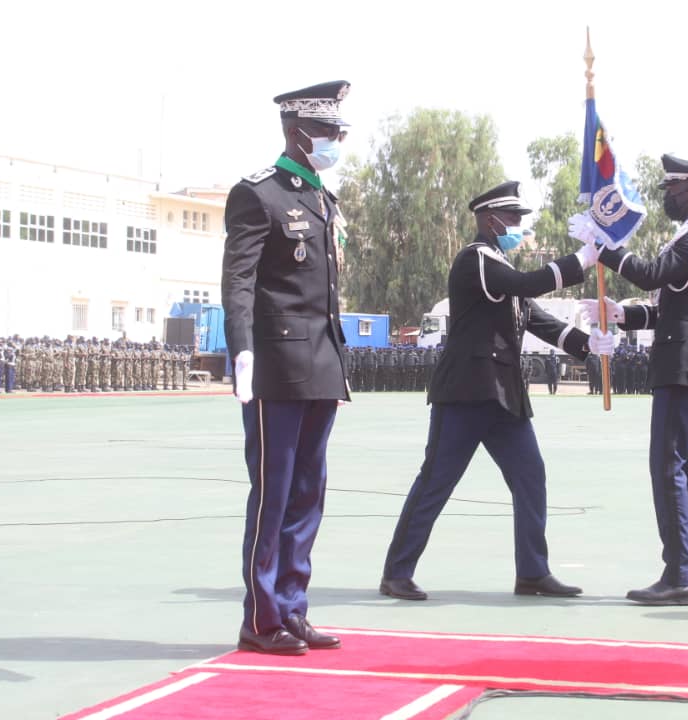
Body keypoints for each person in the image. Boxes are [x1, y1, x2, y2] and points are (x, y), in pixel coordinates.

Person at [379, 181, 612, 601]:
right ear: (491, 220)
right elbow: (528, 284)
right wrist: (582, 260)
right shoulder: (477, 260)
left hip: (502, 396)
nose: (520, 227)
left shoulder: (498, 263)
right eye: (514, 219)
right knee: (436, 482)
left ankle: (533, 572)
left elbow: (538, 319)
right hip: (466, 394)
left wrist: (587, 345)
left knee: (530, 478)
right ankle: (397, 572)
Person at [221, 80, 354, 656]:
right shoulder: (260, 195)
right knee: (273, 494)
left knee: (308, 493)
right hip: (277, 365)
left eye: (337, 133)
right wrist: (241, 348)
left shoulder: (323, 199)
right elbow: (240, 279)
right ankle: (261, 616)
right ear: (296, 132)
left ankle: (294, 608)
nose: (334, 141)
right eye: (327, 132)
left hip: (322, 361)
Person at [579, 154, 688, 606]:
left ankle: (681, 574)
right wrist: (620, 313)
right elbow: (671, 305)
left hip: (685, 366)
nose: (666, 196)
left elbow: (652, 274)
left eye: (671, 188)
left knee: (671, 469)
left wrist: (602, 247)